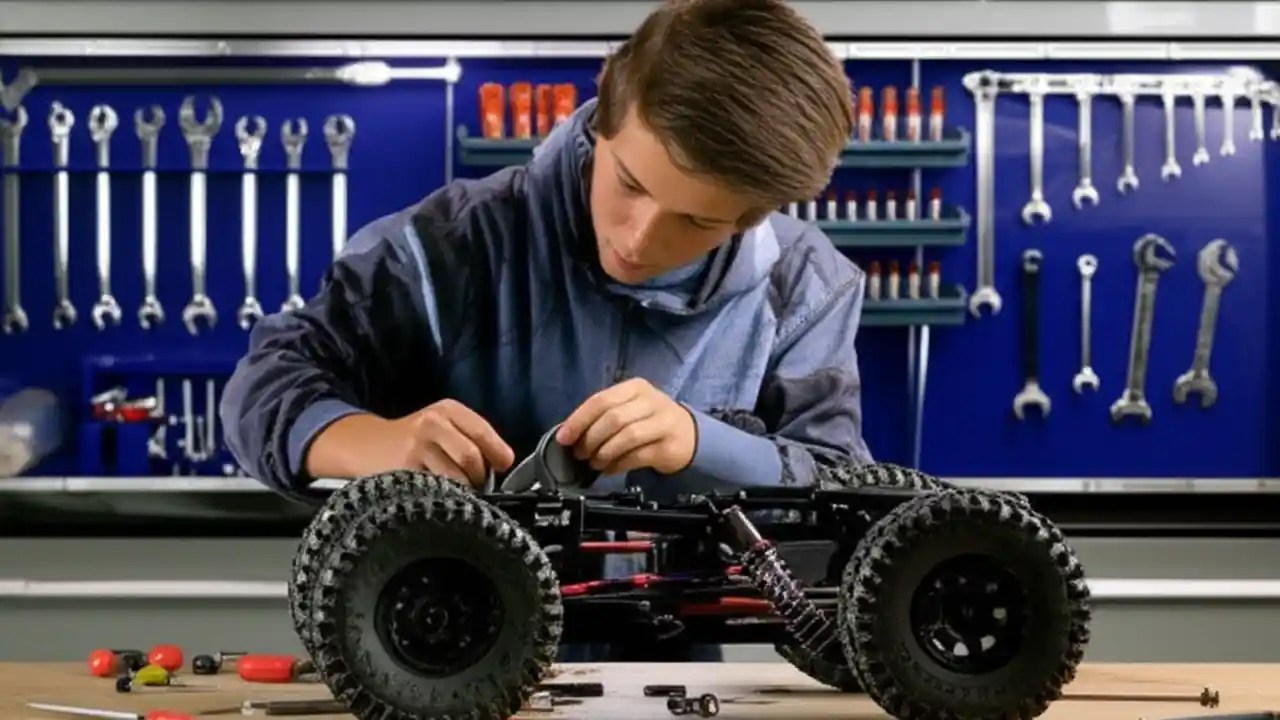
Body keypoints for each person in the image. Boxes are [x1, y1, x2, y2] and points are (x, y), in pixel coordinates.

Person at [221, 0, 873, 660]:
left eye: (696, 223)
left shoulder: (805, 288)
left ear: (750, 217)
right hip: (446, 661)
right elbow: (264, 389)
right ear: (606, 114)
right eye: (630, 183)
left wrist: (705, 445)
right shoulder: (450, 247)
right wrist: (382, 442)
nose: (640, 239)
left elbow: (846, 497)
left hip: (677, 683)